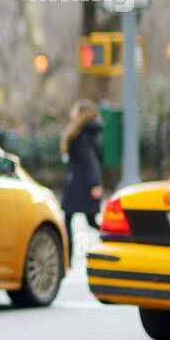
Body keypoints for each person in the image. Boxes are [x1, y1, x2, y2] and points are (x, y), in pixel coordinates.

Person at [60, 99, 104, 264]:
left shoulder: (82, 133)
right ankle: (68, 257)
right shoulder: (90, 132)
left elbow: (91, 160)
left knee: (73, 219)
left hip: (81, 182)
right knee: (87, 220)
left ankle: (68, 257)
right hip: (81, 181)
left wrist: (94, 184)